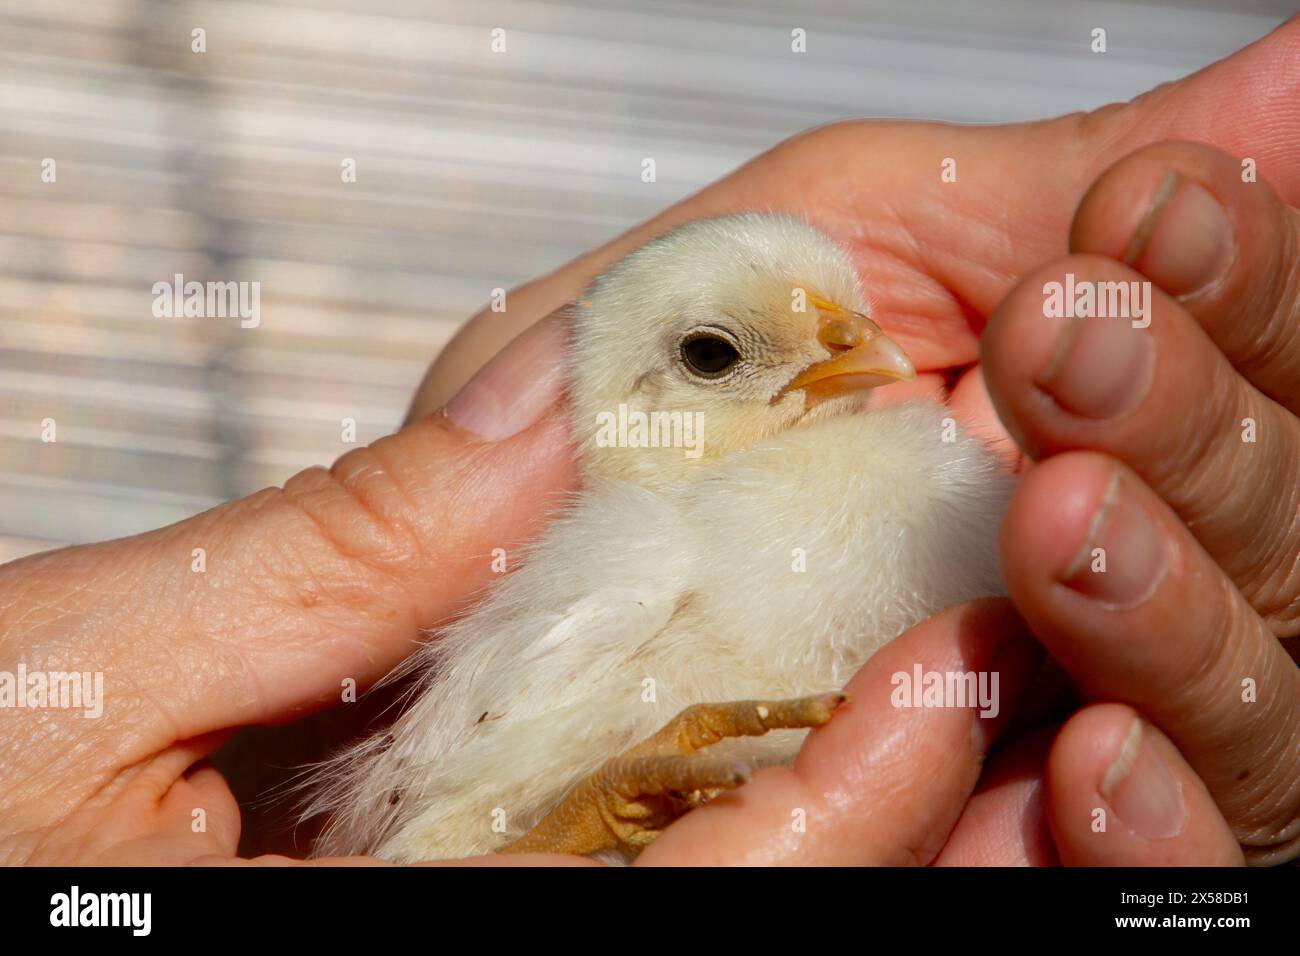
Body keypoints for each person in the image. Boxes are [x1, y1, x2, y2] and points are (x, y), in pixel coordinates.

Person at [2, 18, 1296, 867]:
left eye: (842, 325)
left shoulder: (948, 483)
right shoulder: (629, 546)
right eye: (725, 355)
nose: (859, 355)